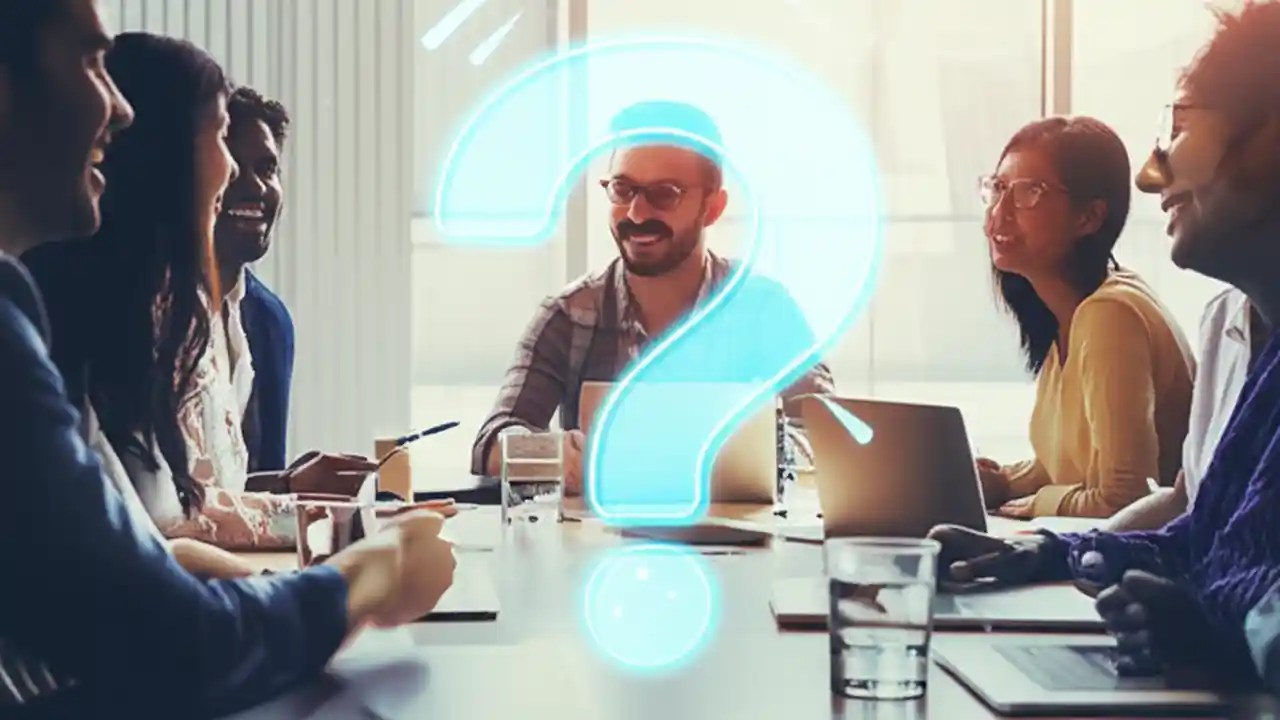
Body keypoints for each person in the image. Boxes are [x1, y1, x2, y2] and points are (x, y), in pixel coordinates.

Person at [0, 1, 454, 715]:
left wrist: (238, 576)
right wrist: (369, 573)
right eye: (89, 62)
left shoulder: (47, 321)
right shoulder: (21, 330)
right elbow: (176, 641)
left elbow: (122, 556)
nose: (120, 112)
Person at [930, 0, 1280, 686]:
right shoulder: (1227, 323)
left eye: (1181, 130)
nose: (1152, 174)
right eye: (997, 190)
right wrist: (1046, 552)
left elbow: (1140, 498)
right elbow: (1195, 515)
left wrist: (1222, 639)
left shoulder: (1110, 314)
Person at [20, 33, 369, 550]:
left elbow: (171, 509)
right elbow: (151, 538)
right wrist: (343, 569)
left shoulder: (229, 316)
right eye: (223, 139)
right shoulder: (60, 317)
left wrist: (309, 508)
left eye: (268, 168)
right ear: (164, 153)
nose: (237, 177)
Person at [469, 100, 835, 491]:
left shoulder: (763, 310)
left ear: (712, 208)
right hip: (598, 530)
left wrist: (767, 448)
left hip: (743, 528)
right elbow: (491, 442)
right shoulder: (570, 316)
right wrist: (554, 453)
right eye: (623, 189)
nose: (636, 214)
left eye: (664, 194)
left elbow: (831, 437)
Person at [974, 116, 1195, 519]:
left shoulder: (1110, 315)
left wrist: (1035, 504)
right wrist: (1002, 482)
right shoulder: (1070, 311)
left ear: (1088, 218)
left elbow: (1126, 498)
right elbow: (1068, 466)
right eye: (999, 188)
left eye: (1029, 192)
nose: (998, 213)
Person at [1106, 287, 1270, 531]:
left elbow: (1120, 491)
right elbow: (1186, 502)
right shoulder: (1222, 315)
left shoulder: (1109, 312)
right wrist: (1076, 545)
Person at [214, 85, 294, 474]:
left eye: (267, 169)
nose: (256, 186)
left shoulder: (269, 321)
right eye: (233, 169)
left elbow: (259, 478)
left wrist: (296, 487)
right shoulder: (149, 313)